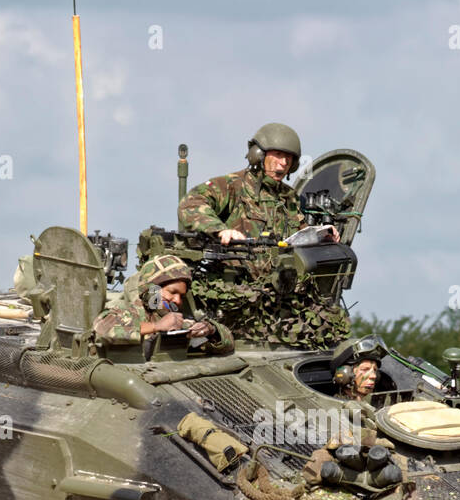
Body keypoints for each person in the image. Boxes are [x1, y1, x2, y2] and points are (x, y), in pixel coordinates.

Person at [178, 123, 334, 245]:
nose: (283, 163)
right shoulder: (234, 185)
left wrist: (322, 234)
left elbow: (300, 237)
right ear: (258, 155)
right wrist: (221, 231)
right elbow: (190, 204)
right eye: (278, 155)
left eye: (289, 158)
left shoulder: (289, 198)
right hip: (235, 279)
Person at [93, 254, 231, 353]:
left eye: (181, 296)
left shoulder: (176, 321)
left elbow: (228, 343)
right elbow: (102, 329)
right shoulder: (126, 311)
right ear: (152, 290)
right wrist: (156, 327)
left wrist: (211, 329)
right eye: (172, 292)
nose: (177, 300)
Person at [330, 335, 387, 402]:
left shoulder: (377, 403)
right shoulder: (333, 409)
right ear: (344, 374)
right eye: (365, 369)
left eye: (375, 370)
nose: (373, 376)